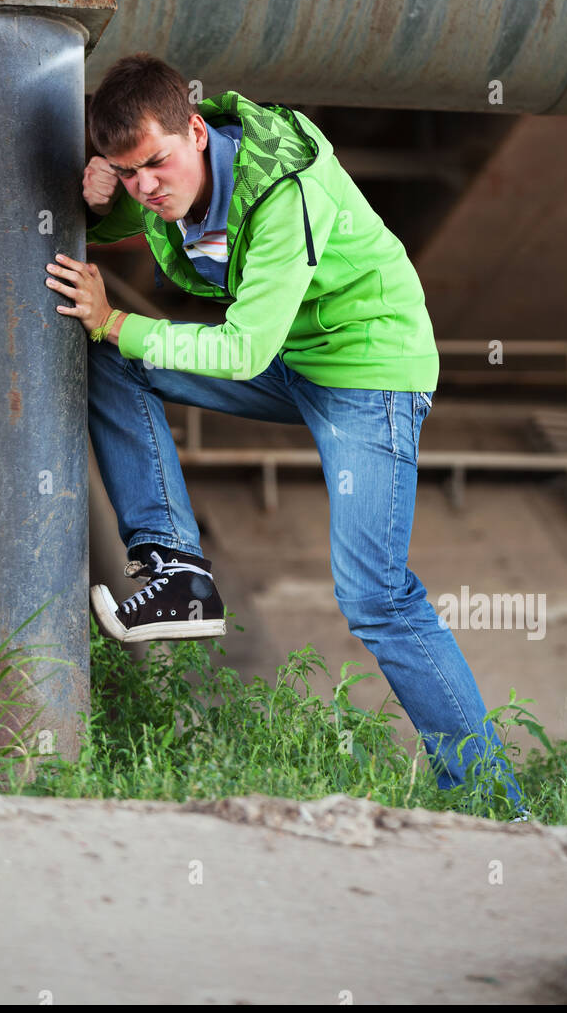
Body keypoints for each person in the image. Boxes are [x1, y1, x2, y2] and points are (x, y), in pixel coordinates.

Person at [44, 52, 527, 812]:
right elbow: (130, 216)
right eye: (127, 170)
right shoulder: (163, 183)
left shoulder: (284, 190)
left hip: (371, 372)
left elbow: (240, 351)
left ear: (197, 132)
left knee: (376, 596)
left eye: (155, 165)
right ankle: (179, 572)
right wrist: (101, 200)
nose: (146, 187)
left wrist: (116, 318)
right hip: (292, 357)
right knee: (114, 360)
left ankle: (495, 800)